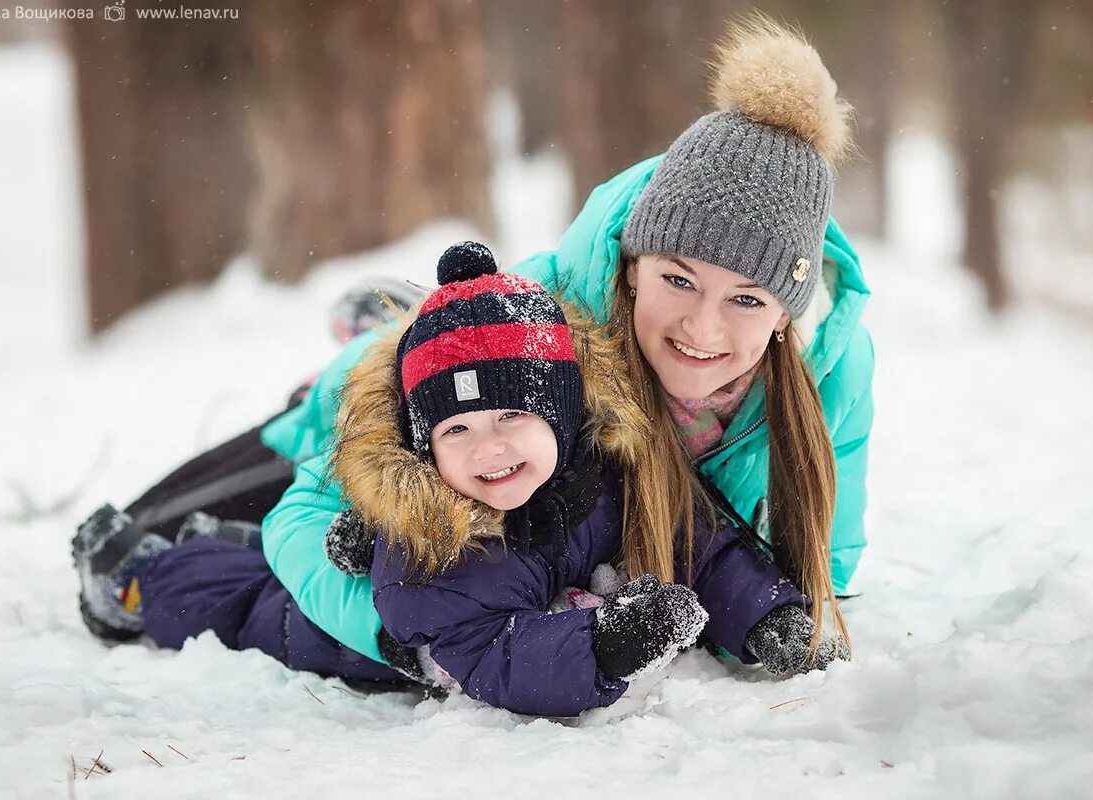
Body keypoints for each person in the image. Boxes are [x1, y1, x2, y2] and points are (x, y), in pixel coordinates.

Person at [78, 17, 871, 674]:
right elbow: (304, 511)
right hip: (363, 418)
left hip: (507, 479)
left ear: (784, 315)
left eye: (746, 299)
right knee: (145, 539)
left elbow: (814, 576)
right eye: (678, 279)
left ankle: (397, 311)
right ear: (632, 267)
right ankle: (387, 332)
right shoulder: (545, 320)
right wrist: (412, 636)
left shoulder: (828, 374)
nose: (702, 329)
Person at [71, 243, 842, 716]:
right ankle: (137, 581)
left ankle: (219, 543)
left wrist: (771, 617)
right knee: (241, 602)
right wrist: (604, 648)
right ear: (424, 444)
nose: (489, 450)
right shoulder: (433, 543)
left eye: (512, 419)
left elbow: (700, 544)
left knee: (252, 566)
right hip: (328, 632)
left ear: (568, 418)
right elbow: (485, 654)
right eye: (456, 431)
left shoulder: (608, 474)